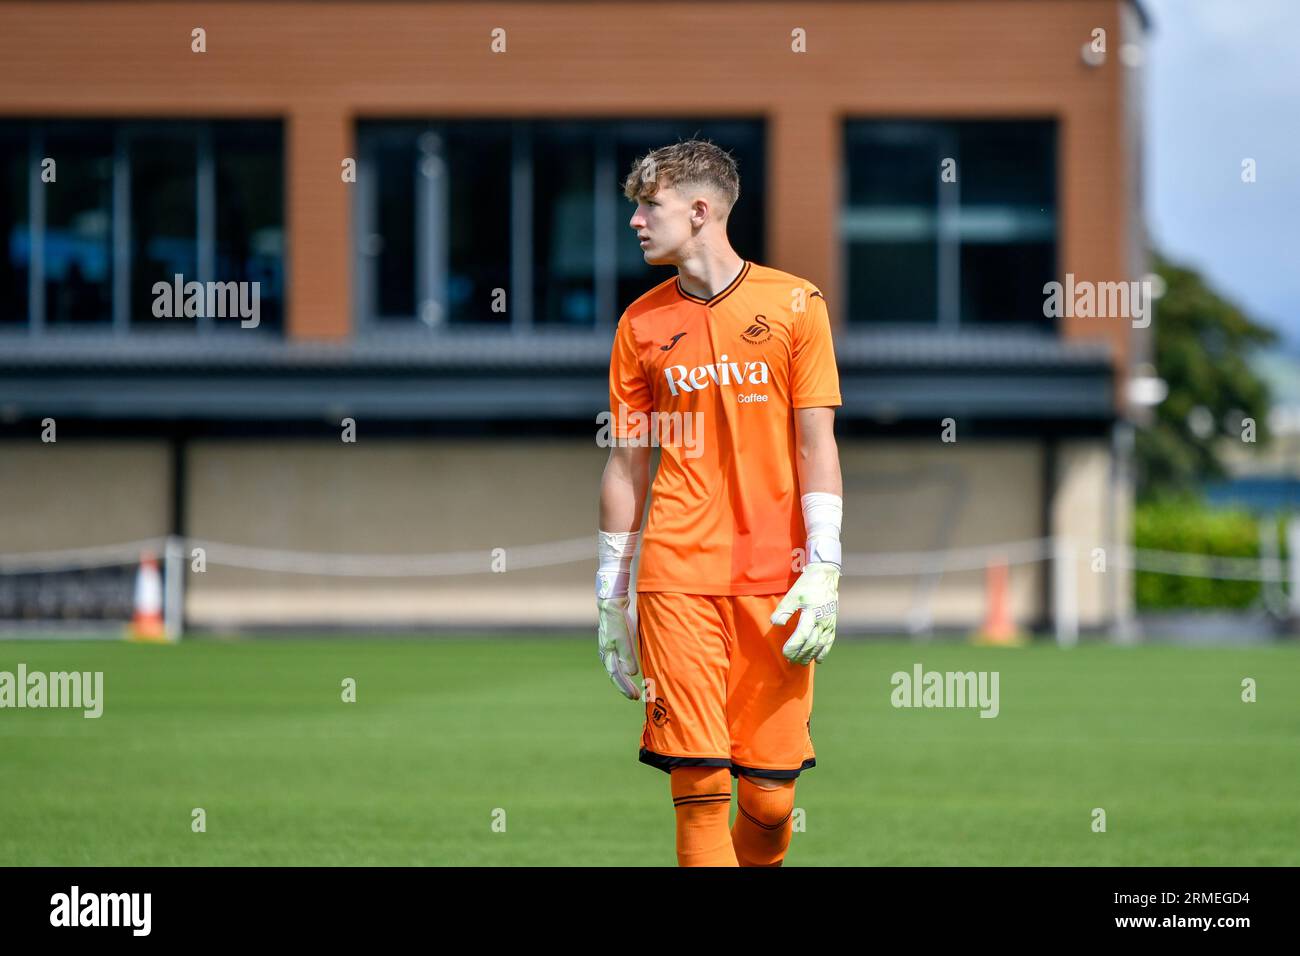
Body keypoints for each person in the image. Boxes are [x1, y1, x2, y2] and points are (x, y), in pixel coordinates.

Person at [596, 139, 844, 867]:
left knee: (770, 804)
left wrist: (825, 564)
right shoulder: (639, 324)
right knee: (699, 781)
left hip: (777, 577)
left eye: (650, 206)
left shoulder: (796, 304)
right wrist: (612, 594)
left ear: (700, 211)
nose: (637, 221)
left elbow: (815, 444)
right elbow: (625, 464)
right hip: (675, 576)